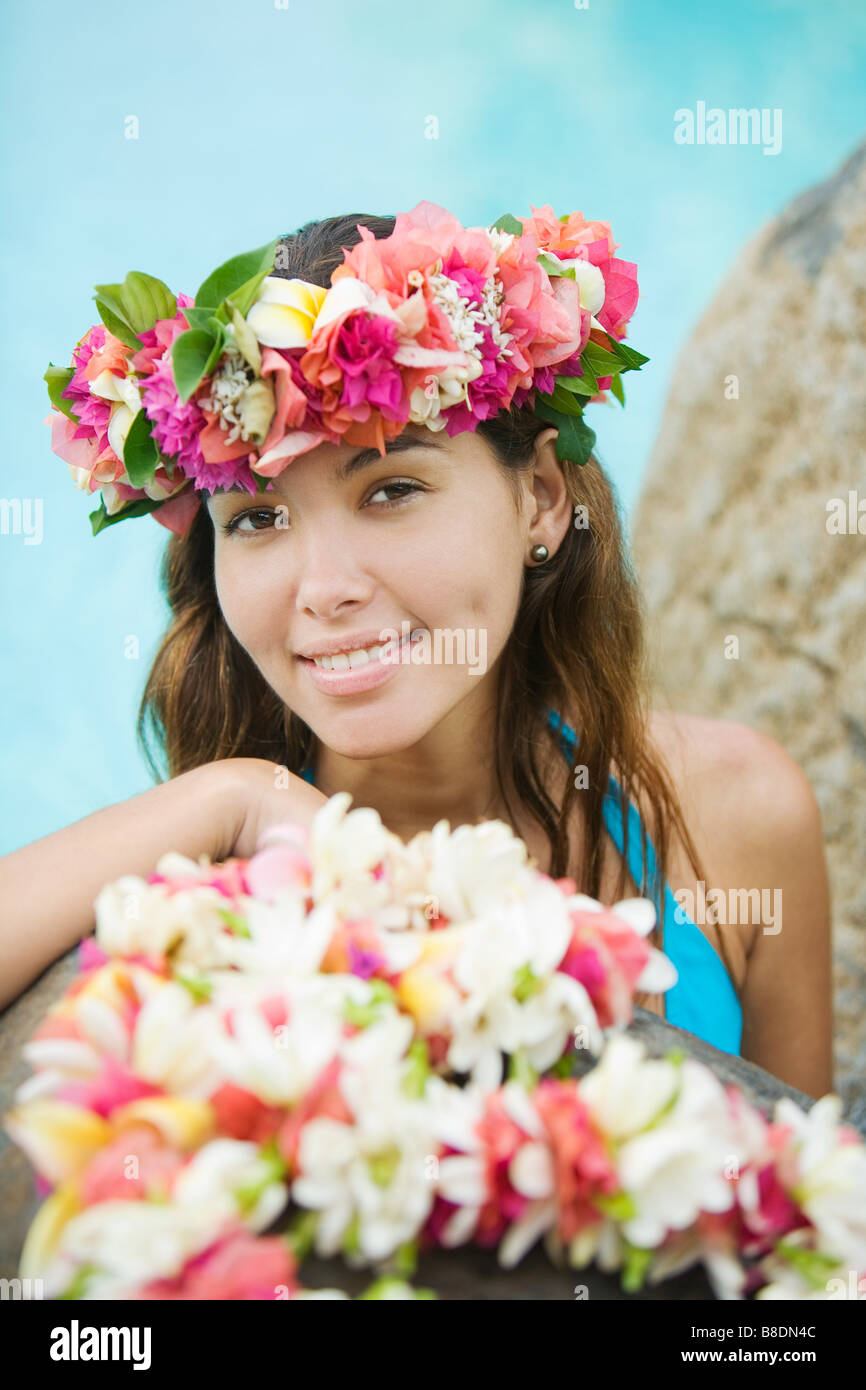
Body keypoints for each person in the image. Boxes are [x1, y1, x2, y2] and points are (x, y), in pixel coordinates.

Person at [1, 205, 832, 1101]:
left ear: (542, 500)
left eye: (392, 489)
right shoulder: (195, 859)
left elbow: (820, 1215)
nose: (324, 588)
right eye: (258, 519)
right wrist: (230, 793)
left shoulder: (735, 815)